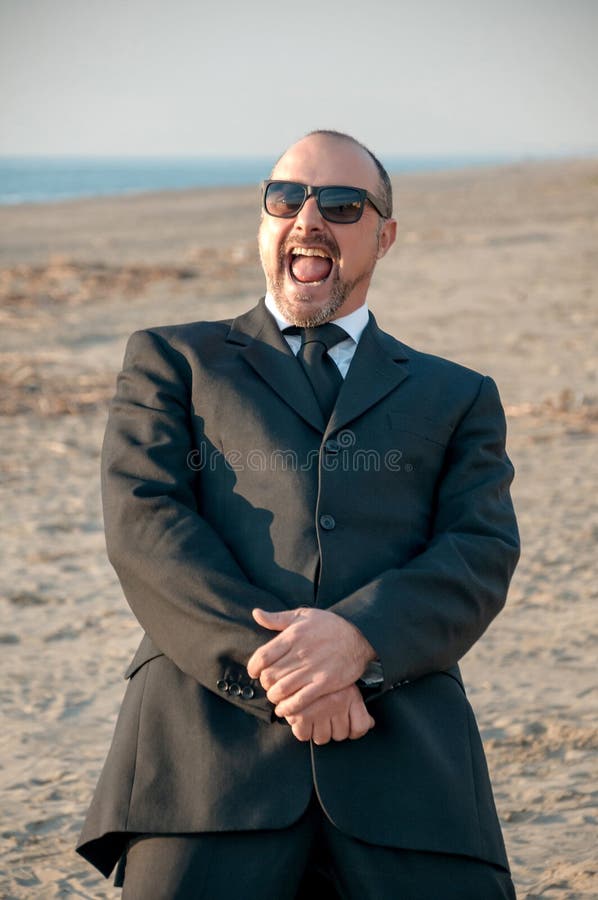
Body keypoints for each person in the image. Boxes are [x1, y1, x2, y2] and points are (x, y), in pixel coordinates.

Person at [76, 129, 520, 899]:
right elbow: (146, 527)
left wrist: (361, 643)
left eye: (342, 204)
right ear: (264, 223)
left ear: (383, 236)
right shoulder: (171, 360)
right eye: (288, 197)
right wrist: (289, 673)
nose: (309, 218)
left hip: (408, 757)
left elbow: (479, 550)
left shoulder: (459, 394)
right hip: (203, 755)